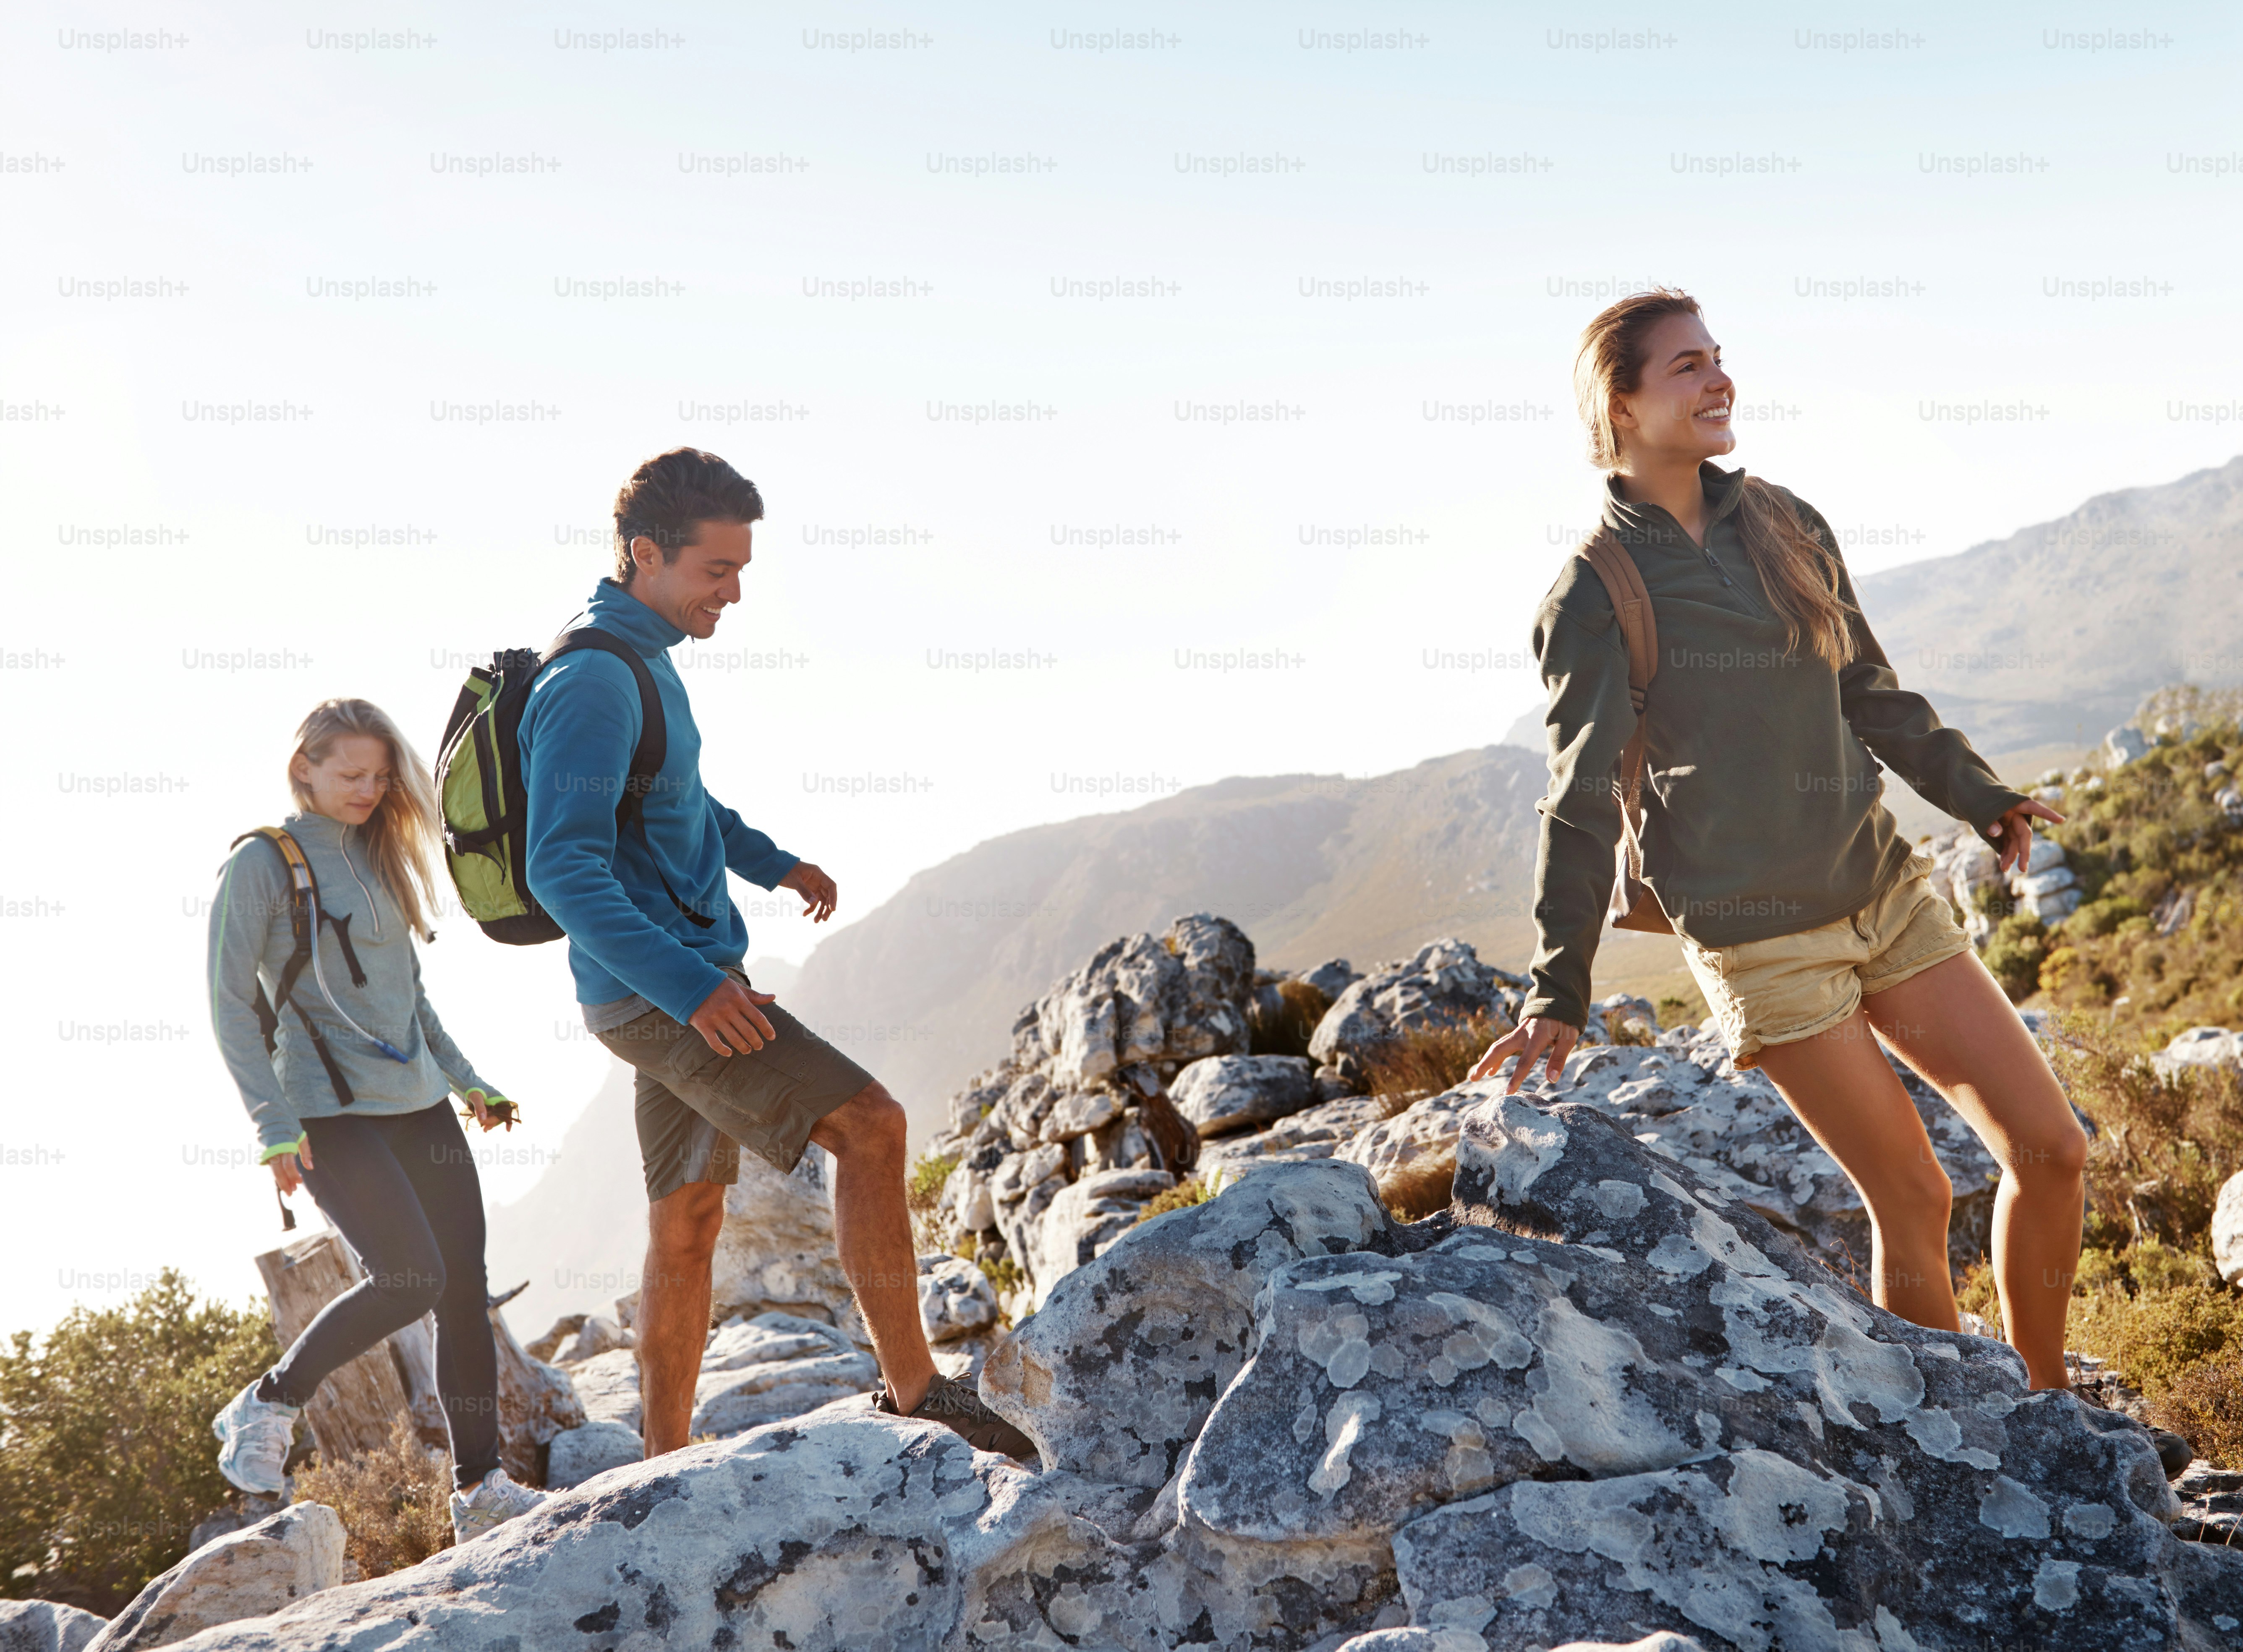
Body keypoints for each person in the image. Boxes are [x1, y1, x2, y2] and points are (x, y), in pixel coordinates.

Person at [1474, 289, 2089, 1392]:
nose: (1721, 382)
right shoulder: (1593, 593)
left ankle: (2043, 1413)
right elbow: (1574, 800)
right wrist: (1557, 992)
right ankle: (1967, 1442)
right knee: (1912, 1195)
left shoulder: (1786, 523)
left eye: (1720, 358)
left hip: (1883, 889)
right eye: (1685, 368)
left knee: (2054, 1149)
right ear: (1619, 404)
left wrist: (1982, 797)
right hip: (1763, 942)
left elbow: (1872, 693)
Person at [519, 446, 1032, 1459]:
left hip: (664, 985)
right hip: (667, 991)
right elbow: (561, 870)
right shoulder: (591, 680)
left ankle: (661, 1457)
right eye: (717, 570)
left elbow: (676, 797)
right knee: (872, 1127)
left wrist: (772, 862)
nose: (736, 593)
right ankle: (917, 1387)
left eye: (743, 569)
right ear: (645, 554)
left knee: (689, 1216)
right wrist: (695, 986)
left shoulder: (640, 657)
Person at [207, 699, 548, 1541]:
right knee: (411, 1278)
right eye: (350, 774)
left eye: (381, 775)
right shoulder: (260, 864)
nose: (369, 789)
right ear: (306, 770)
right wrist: (273, 1127)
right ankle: (267, 1402)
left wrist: (469, 1082)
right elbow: (228, 1005)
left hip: (419, 1105)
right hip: (327, 1117)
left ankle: (482, 1489)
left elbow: (409, 998)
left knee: (463, 1292)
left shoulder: (377, 854)